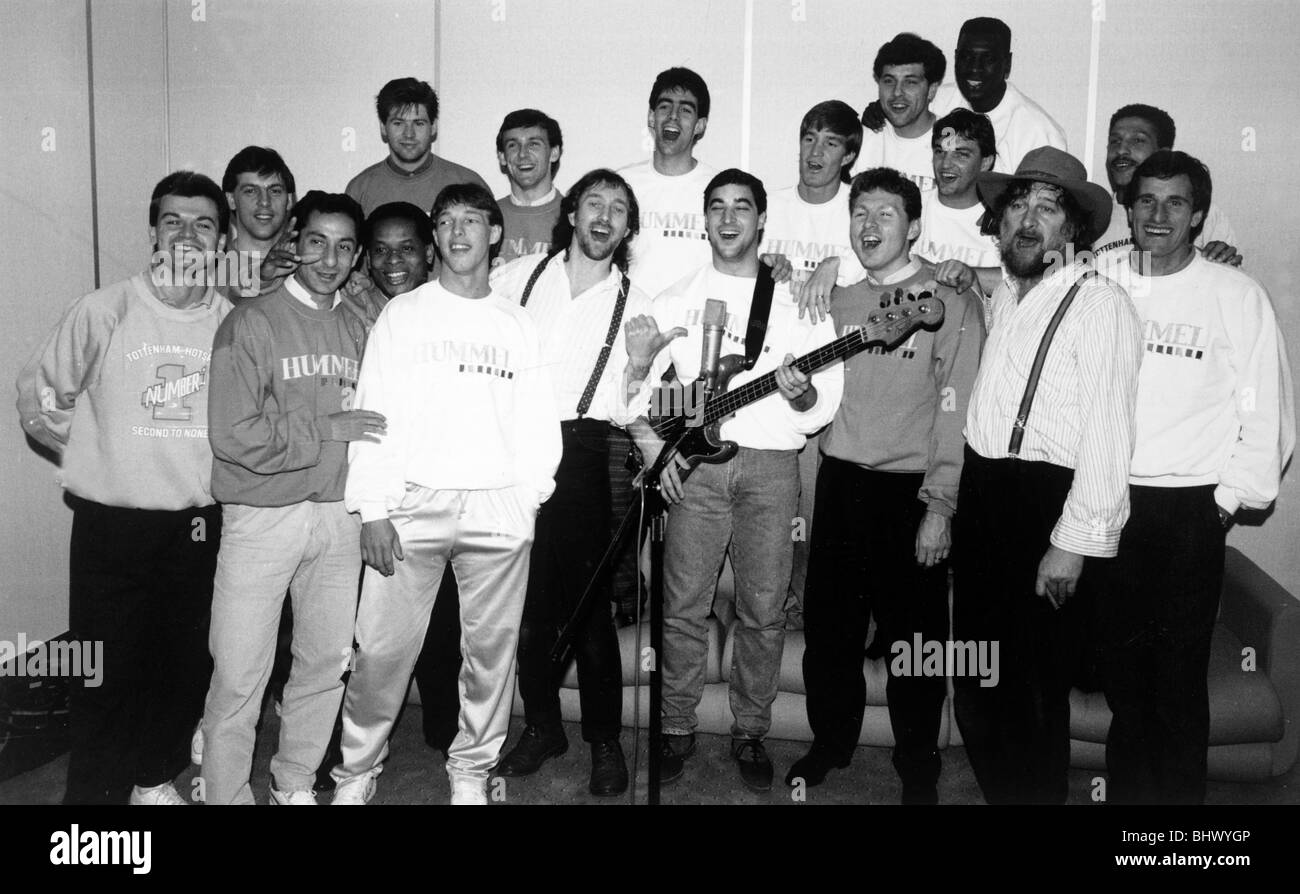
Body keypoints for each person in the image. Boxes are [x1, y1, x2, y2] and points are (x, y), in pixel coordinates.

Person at [332, 183, 561, 805]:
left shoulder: (516, 322)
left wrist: (527, 500)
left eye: (472, 220)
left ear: (494, 233)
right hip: (412, 506)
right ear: (436, 236)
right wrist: (373, 509)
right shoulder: (403, 315)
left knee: (490, 654)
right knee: (381, 651)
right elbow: (372, 415)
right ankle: (356, 772)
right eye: (447, 222)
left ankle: (471, 770)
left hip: (498, 509)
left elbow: (537, 422)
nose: (459, 232)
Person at [16, 171, 233, 805]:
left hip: (197, 526)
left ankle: (153, 778)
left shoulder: (233, 324)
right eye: (173, 222)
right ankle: (92, 813)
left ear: (222, 241)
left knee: (183, 667)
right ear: (152, 234)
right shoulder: (104, 310)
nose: (187, 235)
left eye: (203, 224)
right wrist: (101, 451)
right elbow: (40, 397)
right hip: (112, 527)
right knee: (103, 675)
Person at [1096, 150, 1294, 804]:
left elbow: (1267, 415)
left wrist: (1225, 505)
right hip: (1104, 500)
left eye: (1175, 202)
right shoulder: (1096, 280)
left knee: (1178, 685)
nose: (1158, 214)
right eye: (1146, 200)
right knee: (1124, 680)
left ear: (1199, 215)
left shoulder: (1236, 296)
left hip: (1190, 511)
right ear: (1129, 208)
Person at [638, 169, 843, 792]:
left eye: (743, 207)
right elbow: (648, 398)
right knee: (682, 607)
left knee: (763, 610)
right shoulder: (673, 298)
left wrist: (800, 392)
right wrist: (666, 450)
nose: (729, 219)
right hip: (697, 471)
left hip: (773, 469)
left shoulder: (797, 299)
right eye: (718, 207)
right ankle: (675, 726)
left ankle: (750, 731)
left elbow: (825, 402)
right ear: (704, 219)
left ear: (761, 220)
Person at [788, 168, 984, 803]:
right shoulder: (836, 300)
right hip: (840, 483)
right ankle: (830, 742)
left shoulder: (949, 300)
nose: (869, 226)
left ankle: (918, 763)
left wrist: (941, 507)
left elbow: (957, 411)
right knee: (830, 631)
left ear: (916, 227)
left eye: (886, 214)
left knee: (916, 643)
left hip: (911, 491)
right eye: (859, 214)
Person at [952, 146, 1141, 804]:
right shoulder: (1006, 293)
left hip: (1045, 507)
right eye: (1017, 205)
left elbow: (1110, 436)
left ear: (1073, 227)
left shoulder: (1100, 303)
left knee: (1034, 692)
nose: (1028, 220)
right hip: (983, 495)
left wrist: (1072, 544)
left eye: (1048, 207)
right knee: (978, 678)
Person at [492, 169, 669, 796]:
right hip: (512, 449)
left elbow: (632, 407)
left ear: (627, 229)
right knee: (528, 608)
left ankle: (604, 741)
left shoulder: (637, 304)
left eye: (619, 209)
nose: (604, 216)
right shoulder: (516, 278)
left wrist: (640, 366)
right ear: (572, 213)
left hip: (582, 451)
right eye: (595, 202)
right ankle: (543, 726)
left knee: (590, 609)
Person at [201, 190, 376, 805]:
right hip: (261, 518)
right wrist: (325, 428)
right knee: (239, 674)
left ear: (357, 256)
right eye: (317, 242)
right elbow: (231, 435)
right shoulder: (250, 320)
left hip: (338, 515)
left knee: (325, 662)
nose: (330, 260)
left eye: (345, 247)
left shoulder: (359, 326)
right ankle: (224, 795)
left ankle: (293, 781)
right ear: (294, 242)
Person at [761, 99, 865, 625]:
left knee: (827, 512)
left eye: (830, 142)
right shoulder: (772, 204)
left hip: (845, 378)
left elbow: (886, 258)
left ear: (848, 155)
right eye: (808, 138)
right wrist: (767, 266)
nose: (815, 151)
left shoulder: (858, 208)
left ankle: (821, 613)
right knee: (783, 513)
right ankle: (781, 607)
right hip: (772, 378)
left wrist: (835, 262)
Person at [916, 17, 1066, 174]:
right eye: (966, 57)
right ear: (955, 58)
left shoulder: (1039, 134)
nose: (975, 68)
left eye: (988, 59)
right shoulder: (934, 102)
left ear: (1007, 63)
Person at [1093, 104, 1239, 263]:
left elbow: (1225, 270)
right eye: (1115, 141)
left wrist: (1221, 259)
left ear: (1163, 153)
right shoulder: (1096, 214)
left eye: (1137, 140)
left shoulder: (1203, 214)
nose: (1121, 150)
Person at [619, 67, 718, 299]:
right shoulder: (622, 184)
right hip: (630, 316)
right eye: (665, 106)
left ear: (700, 125)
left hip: (696, 317)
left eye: (685, 110)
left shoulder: (719, 189)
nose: (673, 116)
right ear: (651, 117)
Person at [345, 77, 490, 216]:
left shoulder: (467, 183)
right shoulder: (360, 189)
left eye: (419, 123)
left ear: (433, 127)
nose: (409, 134)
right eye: (398, 123)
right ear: (383, 127)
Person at [915, 109, 1002, 307]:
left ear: (985, 162)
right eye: (940, 152)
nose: (946, 164)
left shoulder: (1004, 219)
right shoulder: (911, 207)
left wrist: (969, 275)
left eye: (961, 155)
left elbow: (1028, 283)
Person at [850, 33, 947, 193]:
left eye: (910, 82)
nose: (897, 92)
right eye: (889, 81)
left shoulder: (950, 136)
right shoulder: (862, 137)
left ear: (931, 90)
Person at [220, 146, 297, 302]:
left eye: (275, 191)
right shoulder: (211, 266)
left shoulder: (309, 261)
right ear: (231, 200)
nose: (264, 201)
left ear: (289, 200)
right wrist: (262, 277)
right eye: (250, 191)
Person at [495, 109, 565, 264]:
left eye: (533, 144)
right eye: (513, 145)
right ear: (502, 157)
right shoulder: (486, 216)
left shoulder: (573, 218)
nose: (522, 154)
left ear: (554, 153)